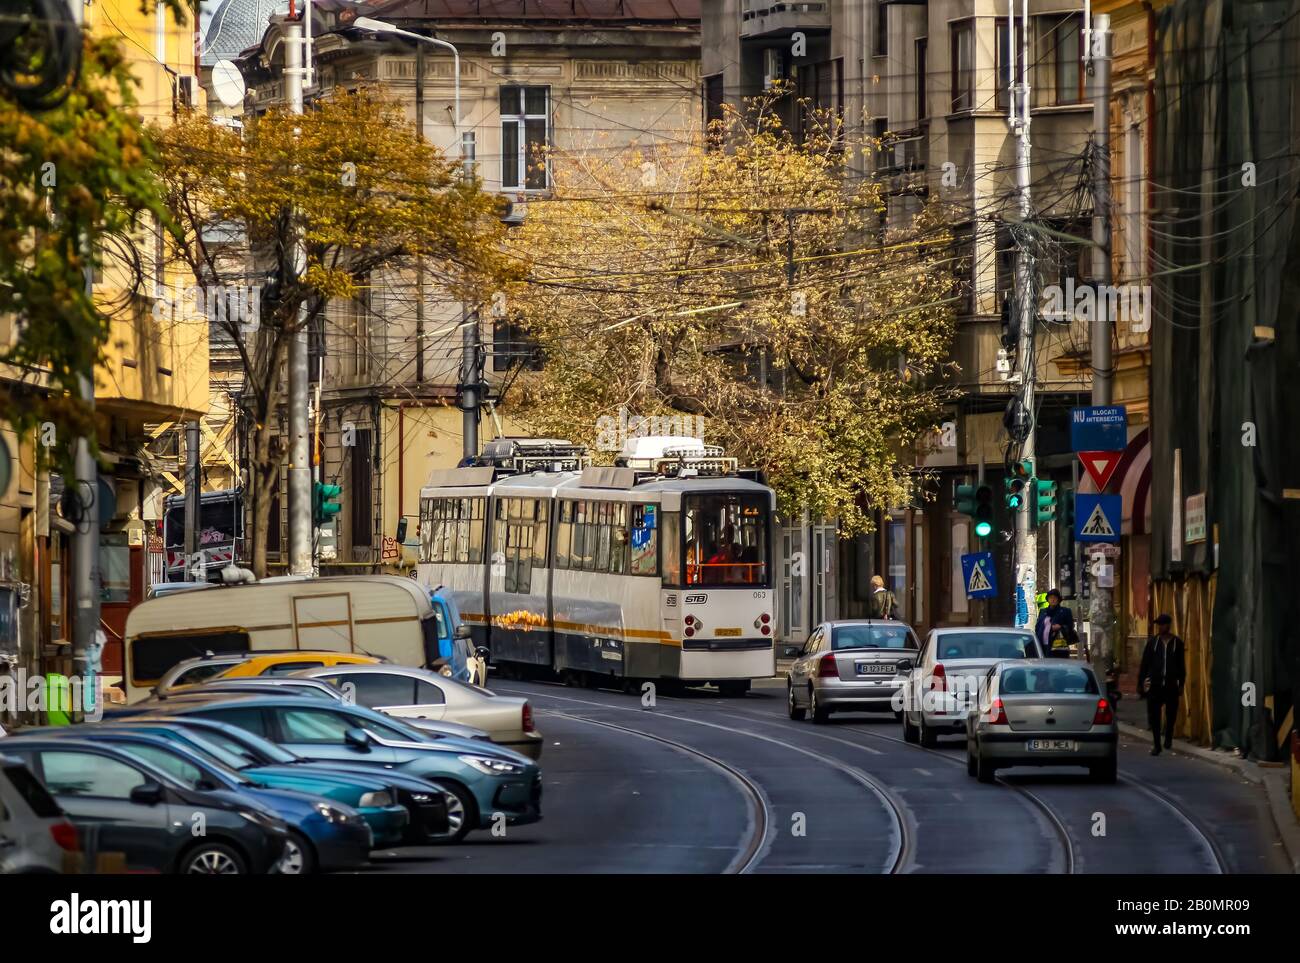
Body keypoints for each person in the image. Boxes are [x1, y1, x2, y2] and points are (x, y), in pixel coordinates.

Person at [1137, 614, 1186, 755]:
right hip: (1155, 685)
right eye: (1159, 624)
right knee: (1155, 716)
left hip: (1171, 684)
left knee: (1171, 714)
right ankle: (1157, 745)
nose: (1161, 627)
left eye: (1163, 624)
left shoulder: (1177, 643)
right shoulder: (1153, 643)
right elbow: (1145, 664)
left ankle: (1169, 735)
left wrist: (1181, 683)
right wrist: (1141, 682)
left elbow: (1181, 665)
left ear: (1168, 625)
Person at [1034, 588, 1079, 658]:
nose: (1053, 599)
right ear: (1047, 599)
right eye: (1050, 598)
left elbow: (1070, 626)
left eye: (1055, 598)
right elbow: (1038, 627)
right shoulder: (1043, 611)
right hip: (1042, 645)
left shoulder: (1065, 611)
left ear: (1058, 599)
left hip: (1058, 646)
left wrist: (1060, 627)